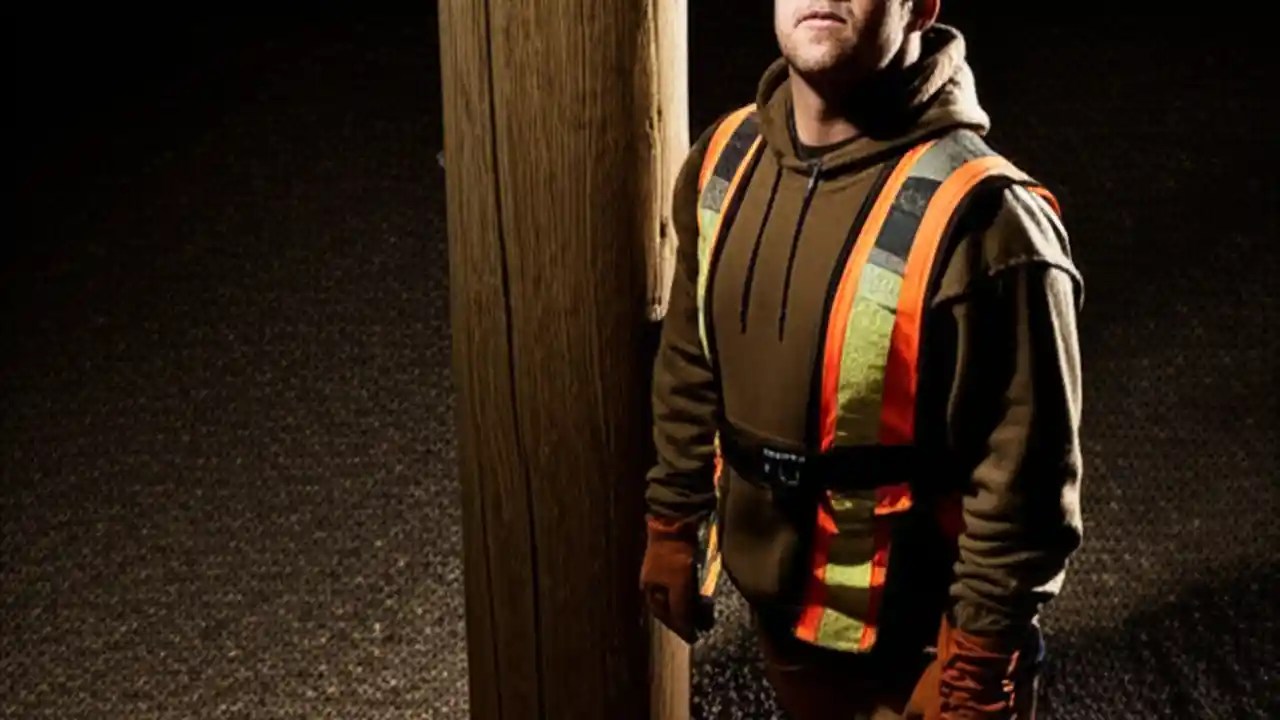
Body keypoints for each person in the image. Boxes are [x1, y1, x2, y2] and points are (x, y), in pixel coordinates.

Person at [639, 1, 1085, 718]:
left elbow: (1024, 477)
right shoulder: (726, 159)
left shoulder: (989, 222)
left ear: (920, 6)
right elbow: (691, 360)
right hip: (791, 619)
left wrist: (979, 662)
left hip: (926, 649)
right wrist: (672, 518)